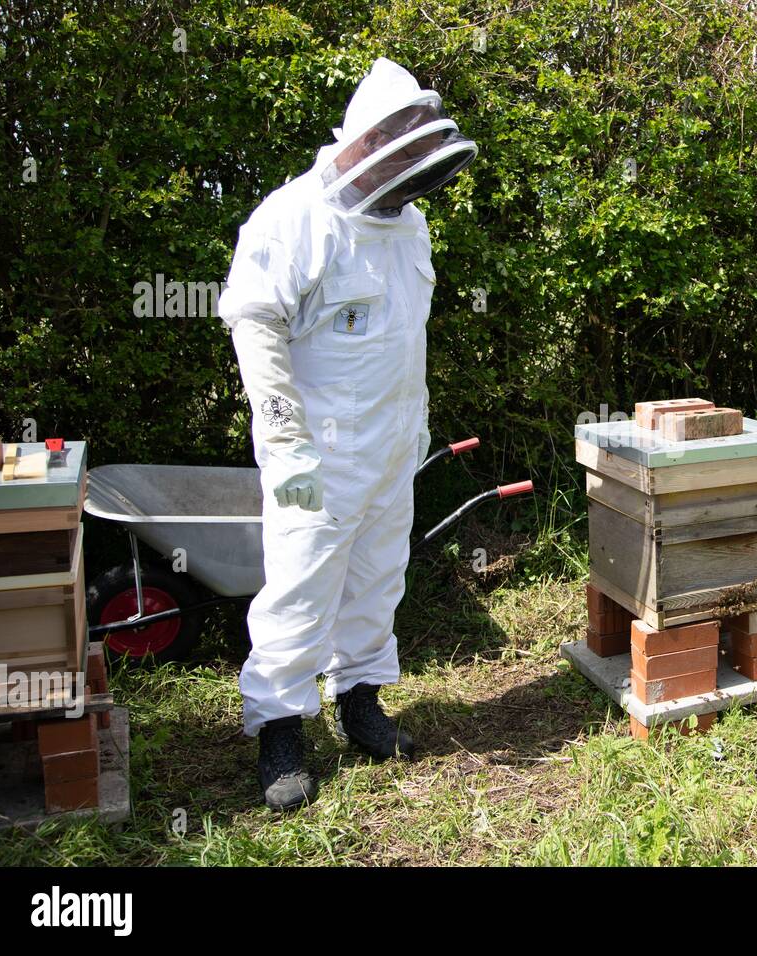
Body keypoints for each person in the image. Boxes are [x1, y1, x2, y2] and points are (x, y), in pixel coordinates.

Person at [217, 58, 477, 810]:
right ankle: (280, 730)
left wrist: (413, 426)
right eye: (399, 157)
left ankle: (359, 701)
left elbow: (401, 335)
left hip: (392, 444)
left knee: (378, 578)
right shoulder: (292, 218)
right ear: (366, 144)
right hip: (318, 454)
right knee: (301, 590)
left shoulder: (409, 224)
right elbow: (255, 325)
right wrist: (285, 441)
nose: (408, 177)